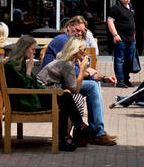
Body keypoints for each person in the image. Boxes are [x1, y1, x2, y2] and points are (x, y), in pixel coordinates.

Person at [40, 16, 117, 144]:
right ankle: (96, 132)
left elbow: (82, 72)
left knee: (95, 84)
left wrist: (104, 78)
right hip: (52, 87)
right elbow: (75, 74)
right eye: (77, 30)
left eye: (82, 31)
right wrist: (85, 71)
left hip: (61, 83)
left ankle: (94, 130)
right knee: (92, 86)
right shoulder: (63, 40)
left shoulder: (73, 43)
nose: (79, 33)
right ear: (69, 27)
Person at [38, 36, 103, 151]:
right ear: (75, 50)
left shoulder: (66, 62)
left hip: (48, 92)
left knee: (68, 97)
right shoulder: (67, 64)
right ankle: (79, 128)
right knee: (69, 96)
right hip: (41, 95)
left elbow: (71, 88)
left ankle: (66, 137)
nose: (85, 53)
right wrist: (82, 69)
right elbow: (75, 88)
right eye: (83, 50)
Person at [107, 0, 138, 88]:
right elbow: (110, 21)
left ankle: (126, 79)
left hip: (131, 39)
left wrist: (134, 36)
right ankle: (120, 80)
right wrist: (115, 35)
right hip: (121, 38)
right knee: (119, 59)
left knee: (129, 60)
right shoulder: (116, 8)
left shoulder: (131, 7)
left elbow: (132, 22)